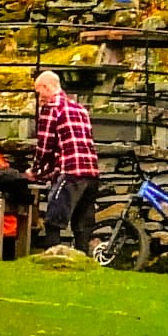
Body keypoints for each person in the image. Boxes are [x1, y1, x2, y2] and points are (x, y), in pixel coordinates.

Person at [29, 65, 104, 252]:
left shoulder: (51, 108)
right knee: (83, 224)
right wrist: (50, 171)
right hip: (91, 173)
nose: (39, 99)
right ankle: (83, 260)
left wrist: (35, 170)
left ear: (47, 87)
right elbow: (71, 144)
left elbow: (45, 146)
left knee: (54, 219)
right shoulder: (80, 109)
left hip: (71, 172)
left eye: (39, 93)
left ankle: (53, 259)